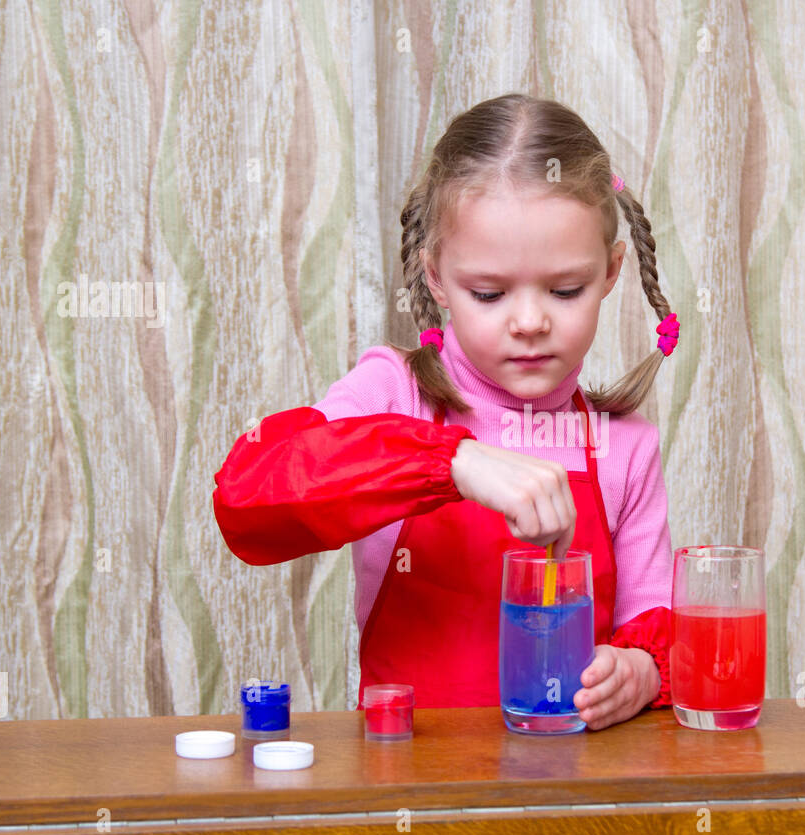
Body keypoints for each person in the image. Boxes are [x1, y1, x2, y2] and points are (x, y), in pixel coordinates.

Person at [212, 93, 681, 730]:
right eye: (488, 293)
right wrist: (452, 460)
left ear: (611, 272)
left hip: (571, 801)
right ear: (434, 278)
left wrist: (639, 671)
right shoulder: (394, 393)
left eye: (565, 289)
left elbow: (656, 623)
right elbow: (246, 500)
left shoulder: (625, 446)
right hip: (410, 792)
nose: (530, 322)